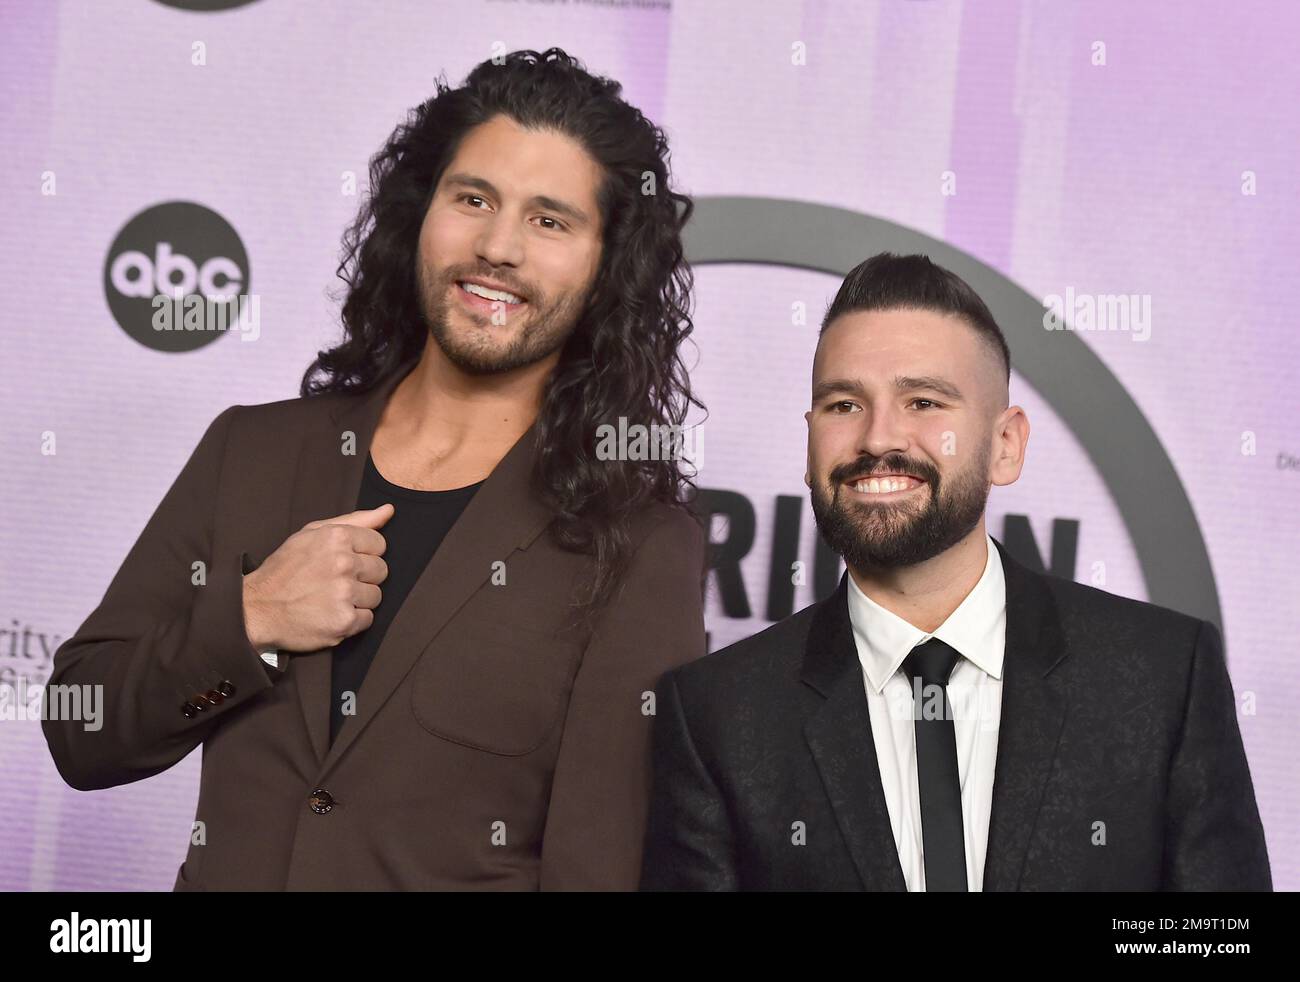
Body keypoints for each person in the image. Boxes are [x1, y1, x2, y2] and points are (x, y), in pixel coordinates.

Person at [44, 48, 707, 891]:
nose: (497, 246)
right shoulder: (252, 452)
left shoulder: (638, 544)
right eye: (473, 199)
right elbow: (83, 732)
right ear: (418, 214)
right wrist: (247, 621)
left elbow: (601, 870)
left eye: (550, 221)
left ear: (606, 267)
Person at [641, 252, 1271, 891]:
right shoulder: (717, 716)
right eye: (842, 405)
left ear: (1006, 446)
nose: (878, 438)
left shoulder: (1162, 676)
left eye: (923, 401)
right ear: (809, 442)